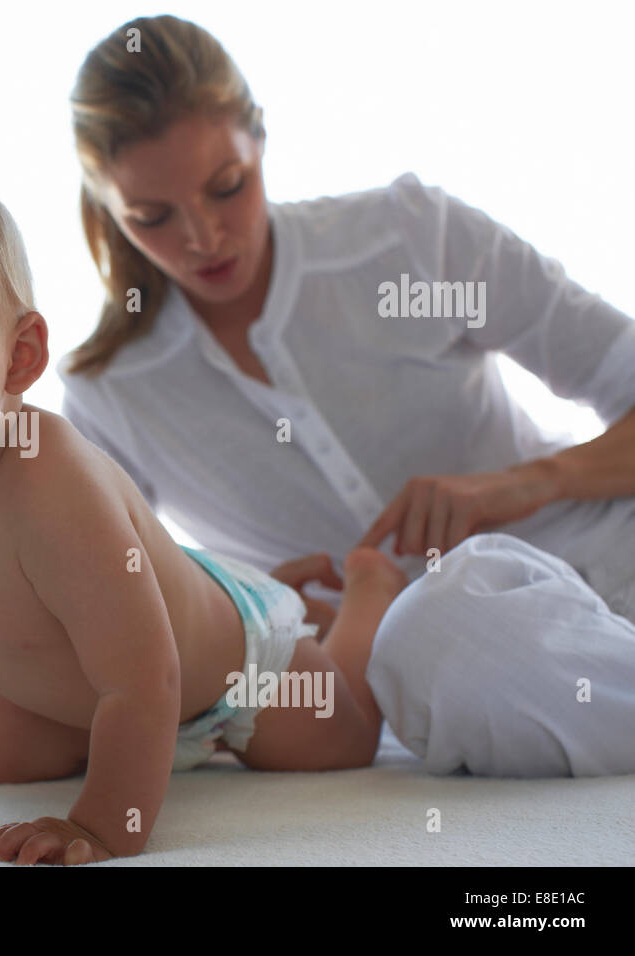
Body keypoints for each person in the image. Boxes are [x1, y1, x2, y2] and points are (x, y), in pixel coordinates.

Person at [0, 165, 411, 865]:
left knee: (335, 742)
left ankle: (366, 599)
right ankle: (221, 607)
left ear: (20, 358)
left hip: (229, 674)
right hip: (90, 698)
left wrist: (103, 824)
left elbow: (145, 675)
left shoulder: (49, 478)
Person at [58, 14, 635, 776]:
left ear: (259, 142)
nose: (202, 238)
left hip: (607, 540)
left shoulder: (409, 237)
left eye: (226, 187)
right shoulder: (107, 397)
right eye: (153, 217)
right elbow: (117, 619)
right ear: (105, 208)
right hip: (462, 655)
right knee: (432, 631)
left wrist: (522, 485)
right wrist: (240, 608)